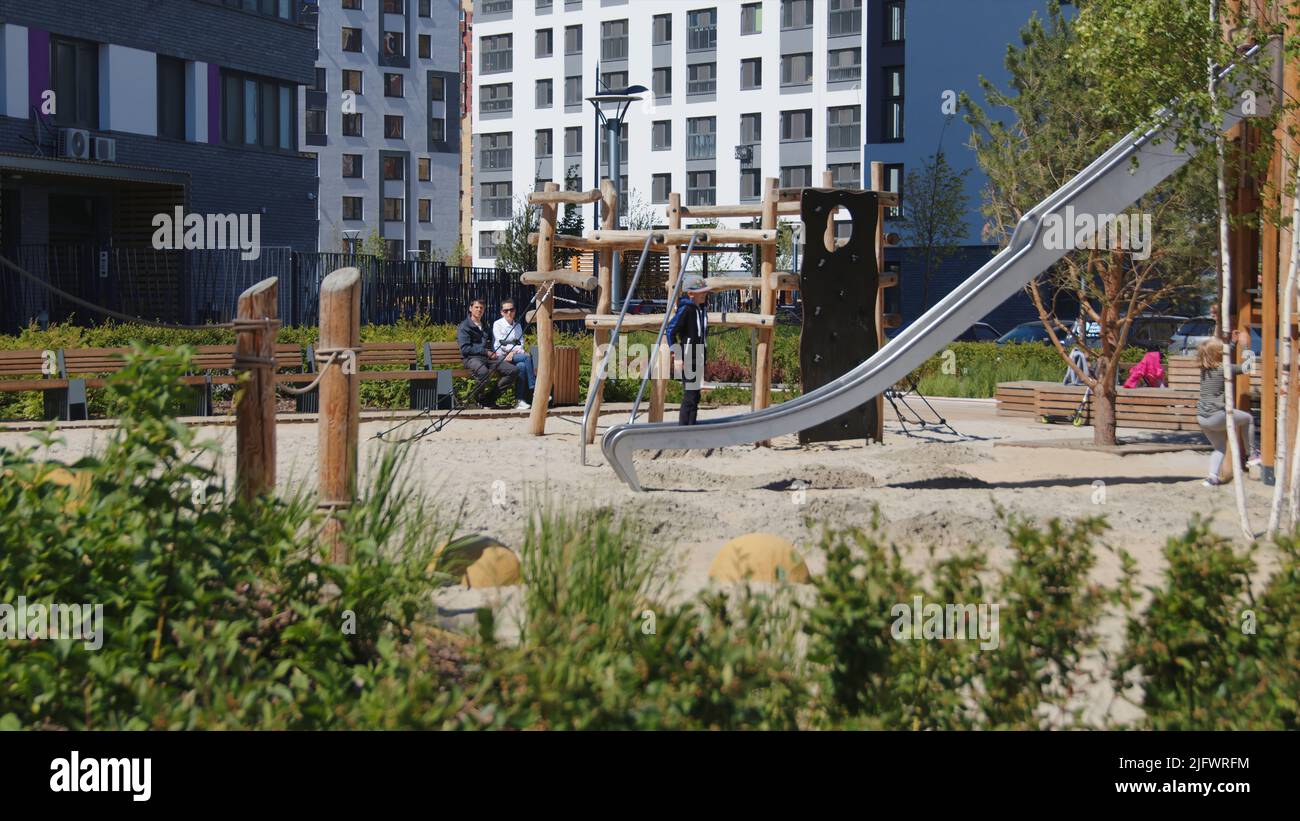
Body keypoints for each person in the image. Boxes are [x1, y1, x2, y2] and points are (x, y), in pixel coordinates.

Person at [1196, 331, 1261, 487]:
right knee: (1248, 419)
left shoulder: (1205, 369)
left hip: (1202, 418)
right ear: (1219, 354)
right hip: (1216, 416)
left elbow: (1221, 354)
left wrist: (1232, 343)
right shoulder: (1223, 369)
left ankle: (1212, 477)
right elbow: (1247, 367)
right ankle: (1252, 454)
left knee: (1219, 448)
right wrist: (1246, 346)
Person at [457, 298, 528, 409]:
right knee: (484, 372)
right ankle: (475, 398)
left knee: (513, 371)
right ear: (470, 309)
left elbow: (493, 343)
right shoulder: (464, 326)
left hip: (489, 358)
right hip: (471, 359)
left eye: (481, 308)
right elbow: (465, 349)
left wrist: (495, 352)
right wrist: (485, 351)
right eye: (476, 307)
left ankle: (489, 399)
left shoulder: (485, 325)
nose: (479, 310)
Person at [668, 274, 711, 426]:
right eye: (702, 292)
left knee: (695, 395)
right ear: (691, 293)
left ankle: (691, 426)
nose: (705, 294)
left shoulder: (701, 308)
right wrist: (677, 355)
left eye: (706, 291)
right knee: (690, 395)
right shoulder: (686, 309)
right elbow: (671, 330)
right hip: (688, 355)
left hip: (698, 354)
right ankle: (684, 428)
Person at [492, 299, 536, 406]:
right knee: (526, 358)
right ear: (501, 312)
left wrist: (513, 353)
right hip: (501, 357)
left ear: (515, 311)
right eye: (506, 310)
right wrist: (512, 351)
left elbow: (520, 344)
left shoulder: (518, 325)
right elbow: (501, 342)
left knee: (521, 366)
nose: (509, 312)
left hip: (514, 356)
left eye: (511, 310)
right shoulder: (497, 324)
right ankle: (534, 390)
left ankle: (519, 400)